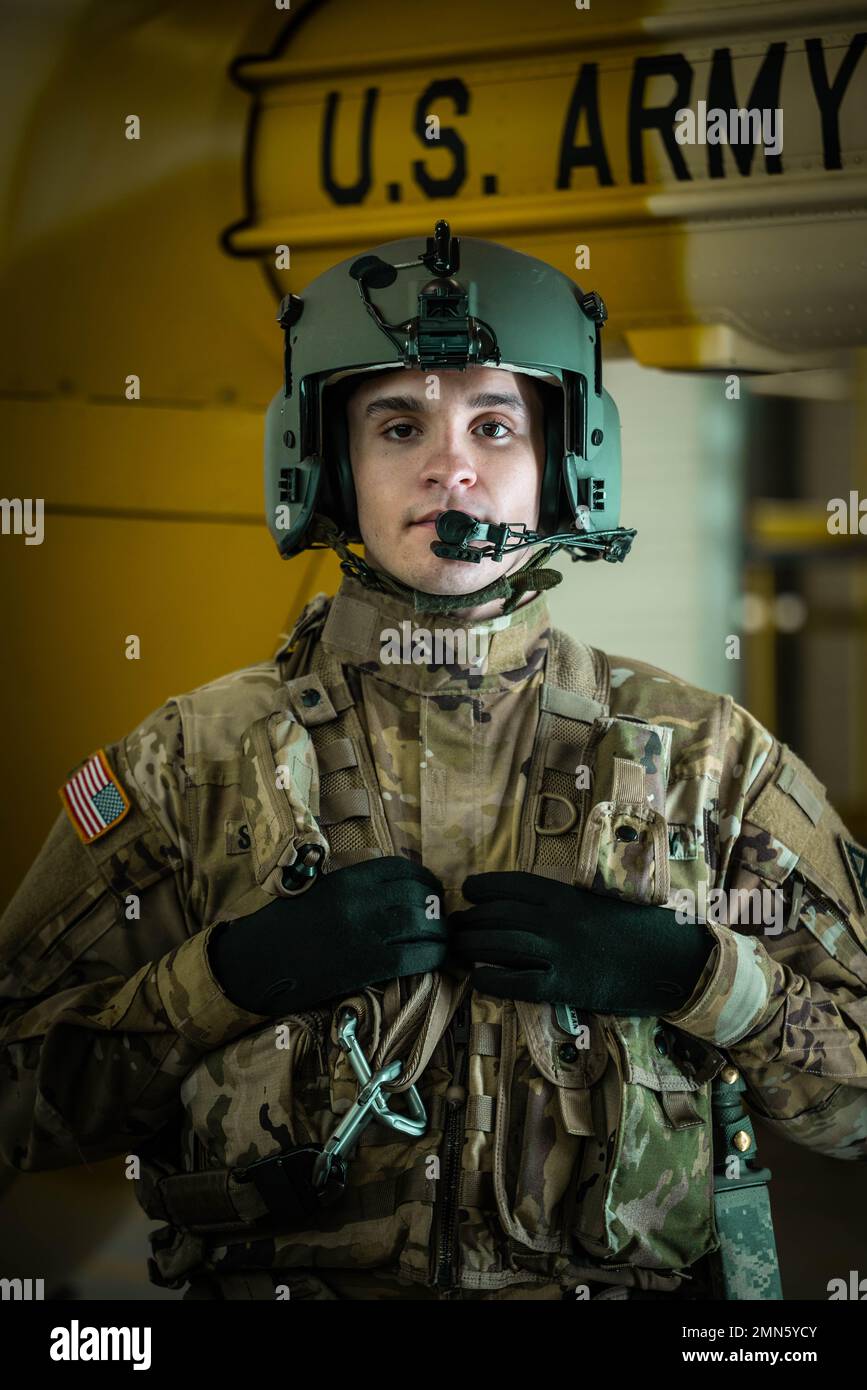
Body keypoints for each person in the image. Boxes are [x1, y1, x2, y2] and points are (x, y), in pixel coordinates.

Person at [1, 221, 865, 1303]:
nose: (451, 464)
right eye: (398, 422)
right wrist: (224, 980)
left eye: (496, 423)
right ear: (323, 461)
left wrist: (695, 975)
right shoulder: (196, 761)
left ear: (565, 461)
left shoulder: (709, 759)